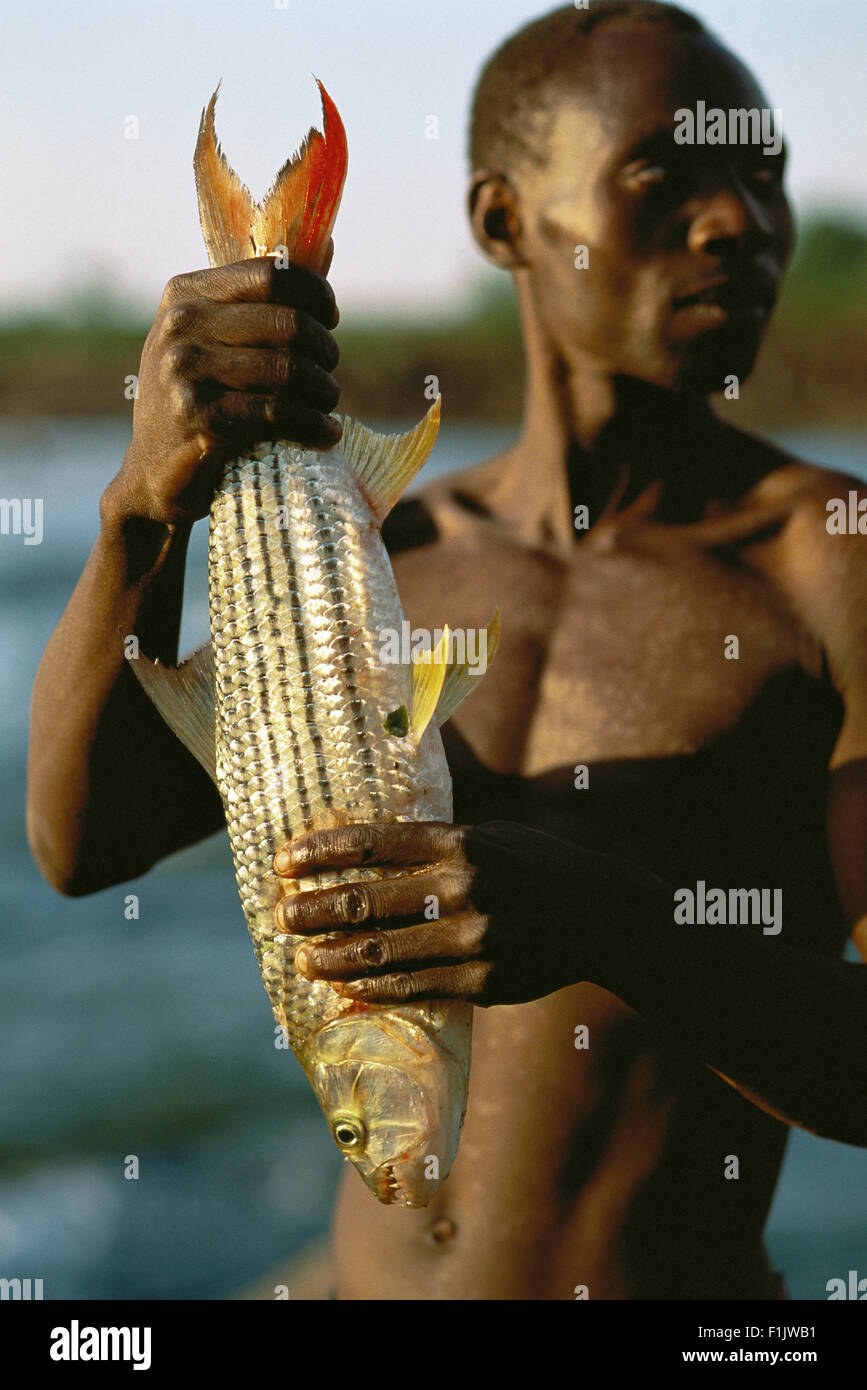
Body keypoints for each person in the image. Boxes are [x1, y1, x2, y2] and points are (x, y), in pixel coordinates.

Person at [27, 1, 867, 1300]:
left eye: (766, 179)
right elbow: (84, 845)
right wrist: (138, 514)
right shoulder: (387, 544)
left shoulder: (831, 564)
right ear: (501, 222)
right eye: (668, 173)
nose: (738, 224)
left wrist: (614, 921)